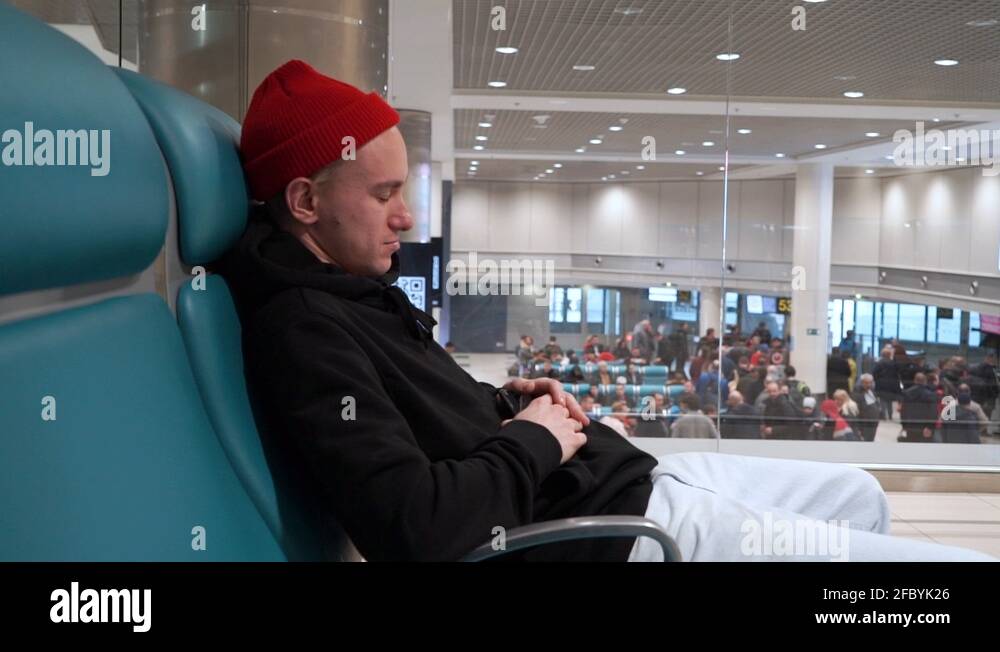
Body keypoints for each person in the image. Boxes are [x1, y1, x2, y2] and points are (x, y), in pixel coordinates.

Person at [217, 62, 993, 562]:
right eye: (385, 195)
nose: (407, 218)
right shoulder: (303, 329)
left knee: (859, 494)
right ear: (307, 202)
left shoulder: (351, 292)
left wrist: (504, 406)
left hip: (617, 487)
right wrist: (528, 443)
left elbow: (430, 430)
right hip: (601, 536)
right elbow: (418, 529)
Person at [852, 373, 882, 442]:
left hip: (874, 420)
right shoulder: (857, 392)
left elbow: (876, 401)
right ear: (862, 382)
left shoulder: (872, 390)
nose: (868, 385)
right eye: (866, 383)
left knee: (871, 439)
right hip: (865, 421)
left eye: (870, 383)